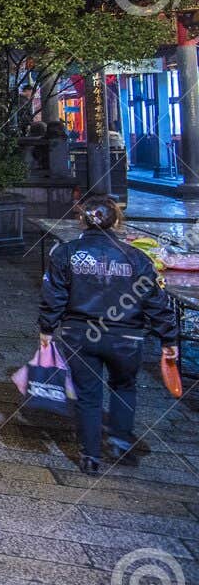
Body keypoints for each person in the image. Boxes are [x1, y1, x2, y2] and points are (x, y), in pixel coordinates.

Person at [38, 194, 180, 473]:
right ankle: (120, 441)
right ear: (116, 221)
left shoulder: (67, 253)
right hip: (126, 336)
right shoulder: (137, 258)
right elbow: (154, 300)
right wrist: (169, 337)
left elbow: (54, 294)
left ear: (82, 221)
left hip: (81, 334)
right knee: (124, 387)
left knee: (88, 395)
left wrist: (47, 327)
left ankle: (90, 456)